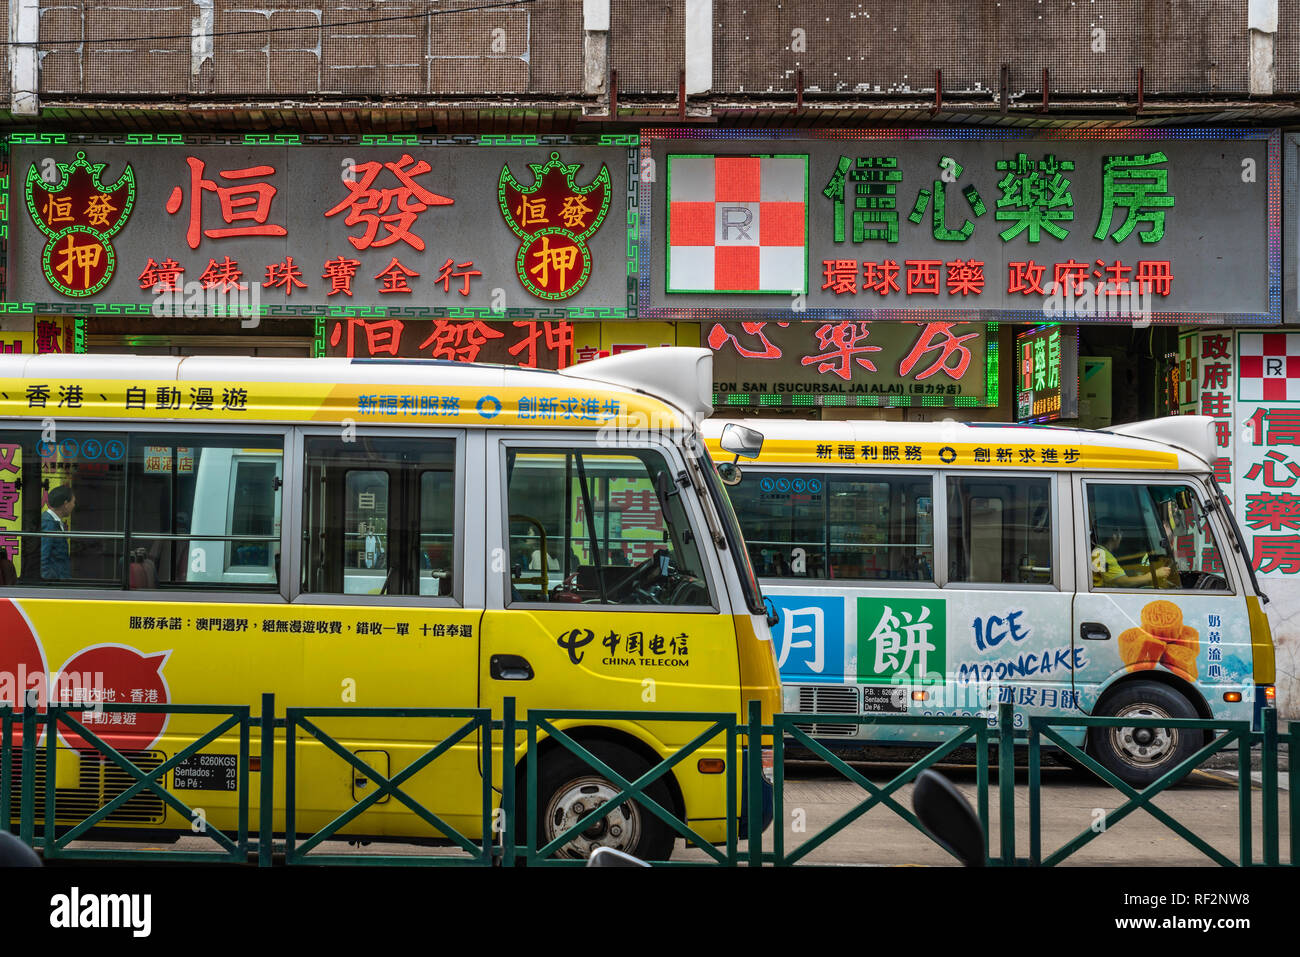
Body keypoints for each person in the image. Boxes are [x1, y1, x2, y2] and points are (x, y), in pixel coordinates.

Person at [1091, 523, 1171, 589]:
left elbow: (1112, 576)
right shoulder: (1101, 554)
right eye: (1120, 533)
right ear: (1115, 535)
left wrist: (1136, 573)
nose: (1121, 538)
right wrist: (1153, 575)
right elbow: (1124, 582)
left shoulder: (1100, 551)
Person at [41, 485, 75, 580]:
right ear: (66, 504)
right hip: (54, 582)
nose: (74, 505)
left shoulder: (55, 521)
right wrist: (51, 581)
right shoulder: (48, 523)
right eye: (73, 502)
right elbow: (43, 557)